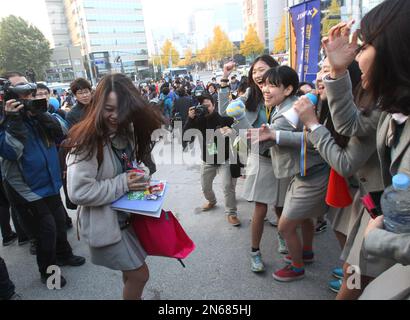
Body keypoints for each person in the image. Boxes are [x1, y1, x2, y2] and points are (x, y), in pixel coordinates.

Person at [296, 0, 410, 298]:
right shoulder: (391, 107)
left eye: (363, 47)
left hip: (381, 223)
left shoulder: (381, 104)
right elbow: (350, 127)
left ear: (395, 49)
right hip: (375, 213)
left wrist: (313, 126)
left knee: (355, 279)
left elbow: (346, 160)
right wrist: (336, 70)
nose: (356, 58)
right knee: (353, 273)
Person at [66, 73, 162, 300]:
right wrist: (123, 183)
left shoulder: (125, 130)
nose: (116, 116)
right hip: (106, 226)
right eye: (109, 109)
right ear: (98, 105)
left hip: (128, 219)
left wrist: (140, 175)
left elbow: (129, 165)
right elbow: (78, 192)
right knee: (140, 275)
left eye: (123, 109)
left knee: (132, 272)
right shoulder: (86, 142)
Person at [0, 72, 85, 287]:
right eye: (20, 89)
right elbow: (10, 152)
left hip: (50, 181)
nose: (27, 94)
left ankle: (64, 255)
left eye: (28, 89)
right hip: (26, 188)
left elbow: (62, 136)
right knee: (46, 230)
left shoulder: (37, 112)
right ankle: (48, 272)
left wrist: (39, 114)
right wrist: (13, 121)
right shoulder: (5, 120)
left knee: (58, 222)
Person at [248, 66, 330, 282]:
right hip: (307, 172)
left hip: (310, 174)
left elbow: (312, 140)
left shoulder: (288, 113)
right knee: (304, 218)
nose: (265, 89)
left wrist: (271, 136)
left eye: (271, 85)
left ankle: (297, 267)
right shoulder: (286, 105)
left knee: (285, 226)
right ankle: (307, 253)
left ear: (288, 89)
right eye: (264, 84)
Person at [220, 56, 290, 272]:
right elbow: (224, 111)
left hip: (282, 157)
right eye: (255, 71)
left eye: (263, 69)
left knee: (280, 206)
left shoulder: (283, 97)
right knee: (260, 208)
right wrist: (224, 78)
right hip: (260, 159)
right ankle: (255, 252)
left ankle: (282, 236)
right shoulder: (250, 96)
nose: (258, 74)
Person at [183, 93, 241, 227]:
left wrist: (231, 131)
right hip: (207, 159)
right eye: (202, 106)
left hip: (225, 159)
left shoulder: (222, 118)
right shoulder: (198, 120)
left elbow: (239, 129)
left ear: (214, 105)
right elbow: (186, 137)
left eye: (207, 106)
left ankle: (231, 213)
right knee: (205, 186)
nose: (205, 109)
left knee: (228, 186)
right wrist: (190, 119)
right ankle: (212, 201)